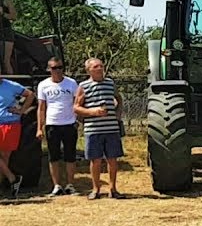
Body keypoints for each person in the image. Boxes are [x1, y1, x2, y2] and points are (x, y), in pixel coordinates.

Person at [74, 57, 124, 200]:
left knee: (112, 159)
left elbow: (119, 99)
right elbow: (76, 107)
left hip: (111, 128)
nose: (100, 68)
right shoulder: (84, 86)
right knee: (95, 160)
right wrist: (93, 112)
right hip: (93, 129)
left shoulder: (110, 83)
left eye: (101, 65)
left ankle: (113, 189)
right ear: (89, 70)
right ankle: (96, 189)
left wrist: (118, 115)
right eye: (96, 66)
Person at [36, 56, 80, 195]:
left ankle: (70, 185)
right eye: (55, 68)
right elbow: (41, 108)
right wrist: (39, 127)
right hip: (52, 124)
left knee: (70, 155)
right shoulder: (43, 85)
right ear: (49, 69)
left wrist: (77, 120)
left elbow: (77, 103)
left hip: (69, 124)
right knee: (53, 156)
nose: (58, 70)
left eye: (60, 67)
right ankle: (56, 186)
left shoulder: (71, 83)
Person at [0, 74, 34, 196]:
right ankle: (12, 178)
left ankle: (4, 186)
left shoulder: (11, 85)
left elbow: (29, 95)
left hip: (10, 124)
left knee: (5, 157)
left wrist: (20, 109)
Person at [0, 0, 16, 75]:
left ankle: (11, 83)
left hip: (5, 32)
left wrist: (3, 13)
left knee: (5, 61)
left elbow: (13, 16)